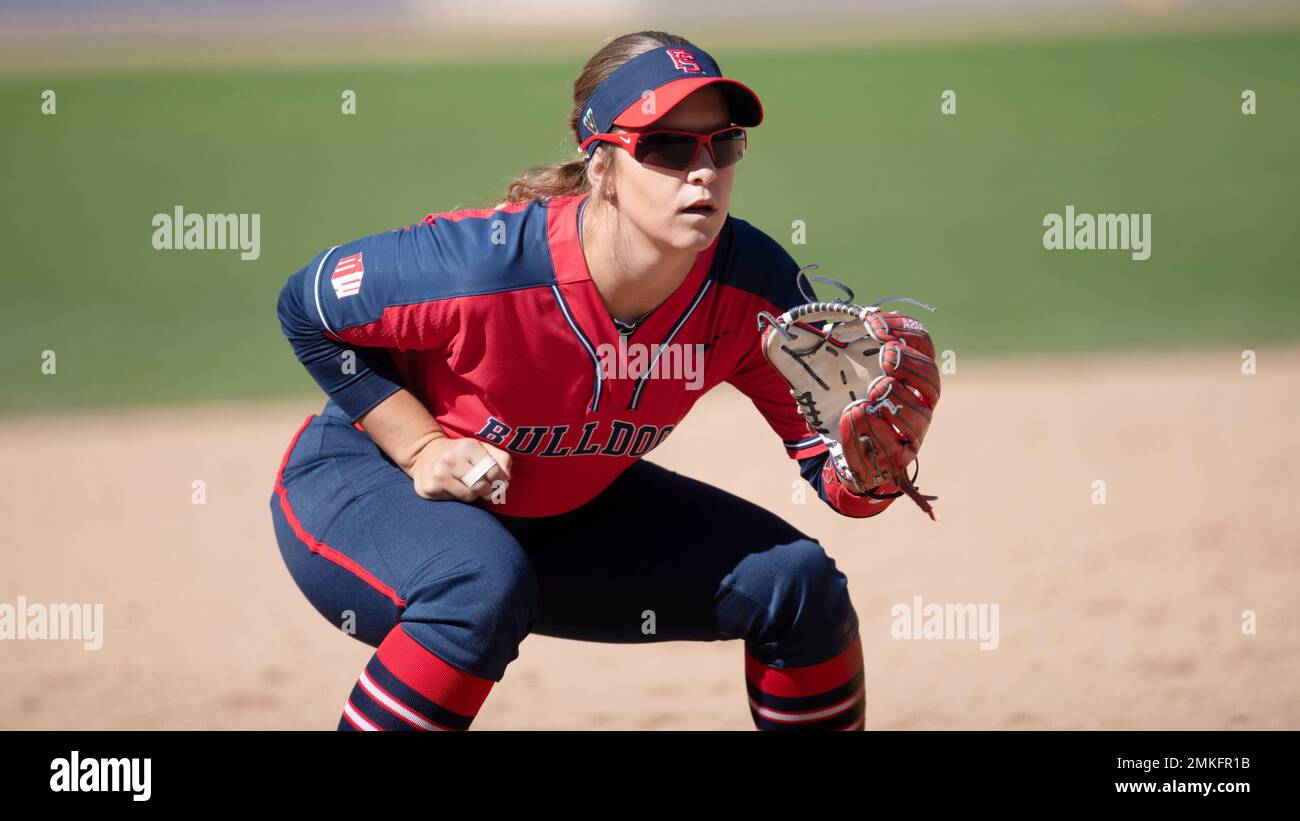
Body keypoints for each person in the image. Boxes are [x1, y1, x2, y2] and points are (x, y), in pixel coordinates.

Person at [269, 30, 933, 731]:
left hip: (559, 522)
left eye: (723, 145)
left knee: (798, 587)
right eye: (670, 148)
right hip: (364, 493)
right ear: (601, 166)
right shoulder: (486, 267)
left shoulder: (755, 290)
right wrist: (421, 446)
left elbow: (833, 476)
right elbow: (305, 307)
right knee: (479, 584)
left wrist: (874, 470)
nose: (702, 171)